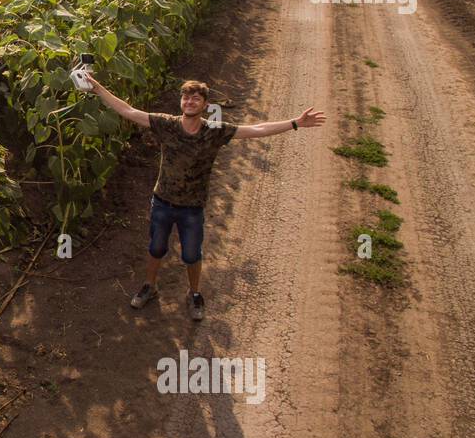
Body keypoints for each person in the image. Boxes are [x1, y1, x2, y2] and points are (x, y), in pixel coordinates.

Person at [82, 75, 325, 321]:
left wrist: (295, 123)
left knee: (191, 254)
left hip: (192, 208)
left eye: (195, 98)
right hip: (162, 201)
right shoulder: (167, 124)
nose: (189, 102)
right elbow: (128, 110)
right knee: (156, 248)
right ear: (181, 102)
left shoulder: (214, 131)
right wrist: (97, 87)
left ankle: (194, 293)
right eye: (186, 97)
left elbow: (256, 130)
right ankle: (149, 286)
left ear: (205, 105)